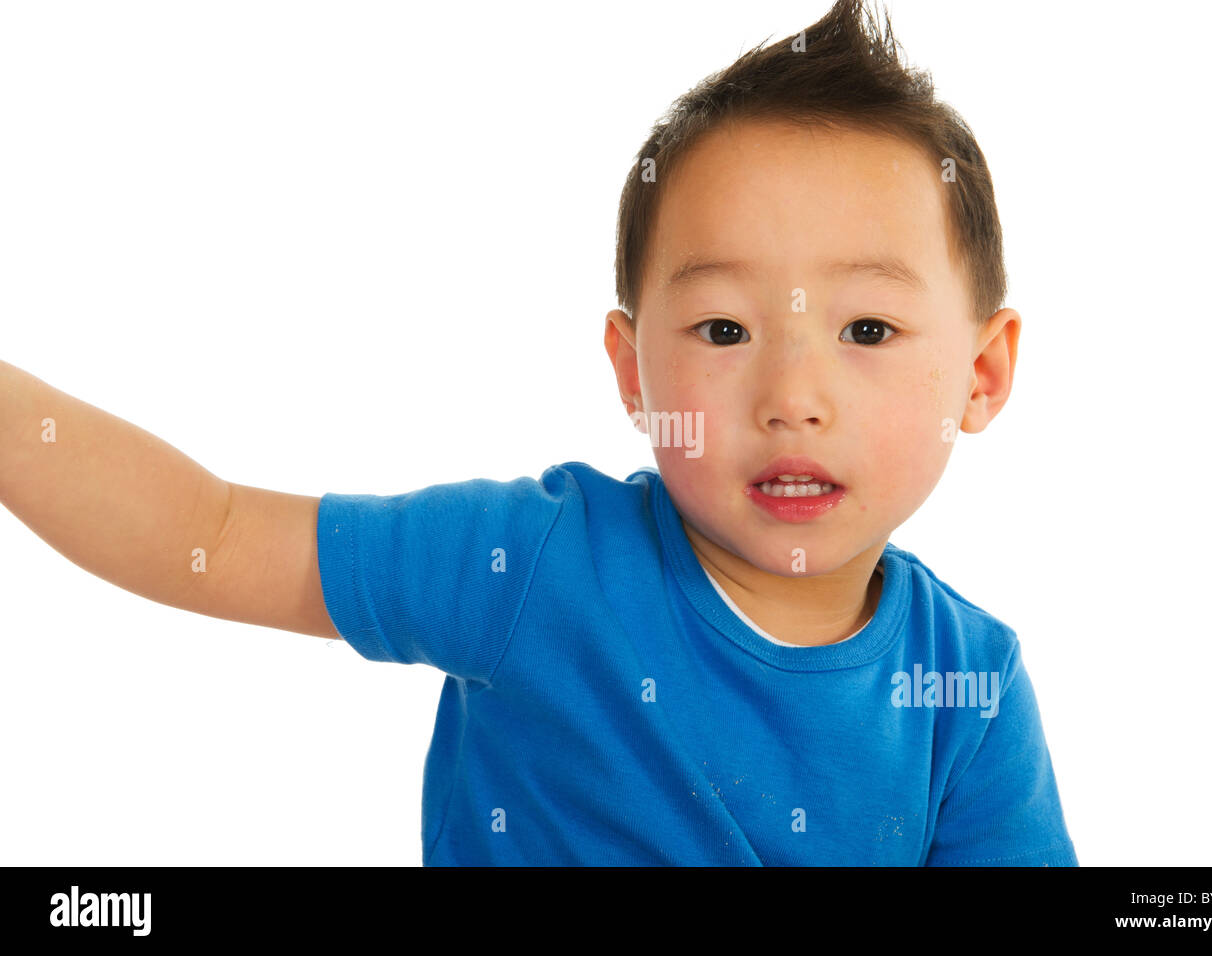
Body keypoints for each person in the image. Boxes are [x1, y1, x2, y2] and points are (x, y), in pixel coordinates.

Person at [0, 0, 1076, 865]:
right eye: (724, 327)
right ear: (632, 368)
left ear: (980, 374)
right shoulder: (532, 563)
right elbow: (212, 530)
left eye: (867, 328)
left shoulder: (969, 688)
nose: (791, 393)